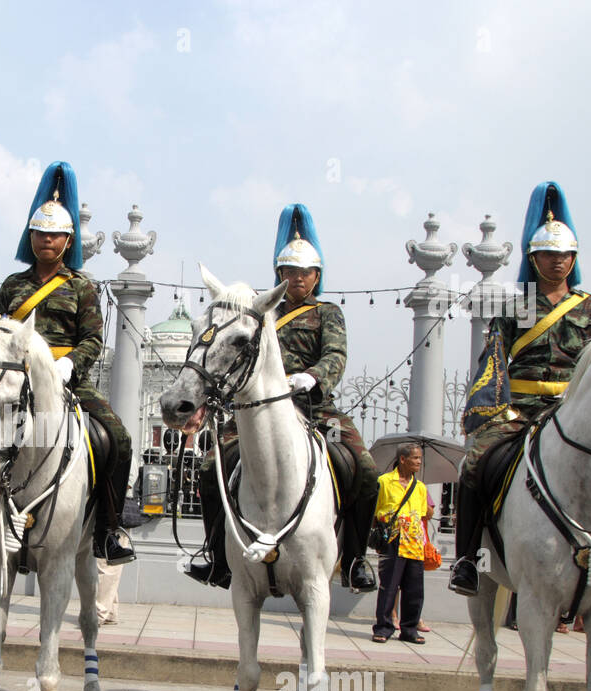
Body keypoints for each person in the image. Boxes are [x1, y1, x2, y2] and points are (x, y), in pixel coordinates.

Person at [450, 181, 591, 596]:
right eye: (550, 254)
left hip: (577, 409)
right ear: (534, 259)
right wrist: (491, 410)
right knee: (474, 466)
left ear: (574, 259)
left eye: (566, 255)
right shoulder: (512, 306)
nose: (559, 262)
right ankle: (467, 560)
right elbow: (494, 361)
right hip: (521, 409)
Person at [0, 161, 136, 564]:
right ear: (30, 237)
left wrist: (69, 366)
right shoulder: (13, 287)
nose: (46, 240)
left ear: (68, 240)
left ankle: (107, 529)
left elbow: (93, 339)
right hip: (10, 384)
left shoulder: (82, 287)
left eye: (55, 235)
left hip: (64, 380)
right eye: (40, 233)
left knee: (117, 437)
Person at [185, 203, 379, 592]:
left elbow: (336, 356)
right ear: (279, 274)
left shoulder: (327, 313)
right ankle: (215, 555)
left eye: (303, 272)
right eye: (288, 271)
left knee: (366, 469)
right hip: (259, 410)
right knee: (210, 468)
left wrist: (312, 376)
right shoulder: (259, 312)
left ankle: (356, 558)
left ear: (316, 276)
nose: (294, 278)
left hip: (314, 408)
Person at [372, 444, 433, 643]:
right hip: (392, 540)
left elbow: (424, 516)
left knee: (414, 590)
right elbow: (374, 512)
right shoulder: (384, 482)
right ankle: (383, 627)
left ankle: (409, 629)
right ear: (402, 459)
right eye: (415, 458)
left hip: (414, 543)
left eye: (420, 459)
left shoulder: (421, 488)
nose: (419, 462)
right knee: (388, 587)